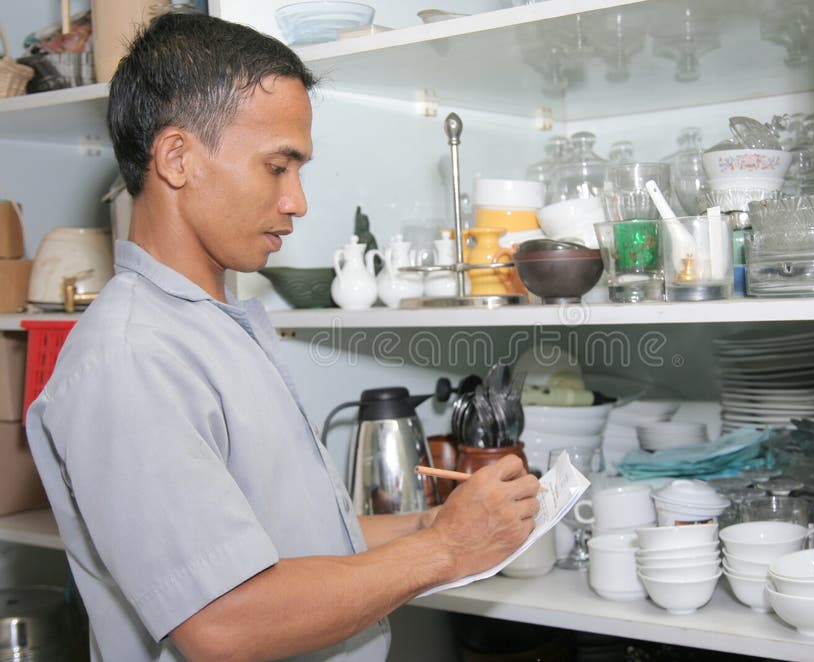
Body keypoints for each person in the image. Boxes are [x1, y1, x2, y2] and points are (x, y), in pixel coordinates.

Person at [25, 12, 540, 662]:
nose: (297, 201)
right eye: (277, 167)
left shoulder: (211, 324)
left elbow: (281, 543)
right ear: (178, 158)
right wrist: (444, 551)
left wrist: (426, 524)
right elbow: (223, 621)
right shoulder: (131, 359)